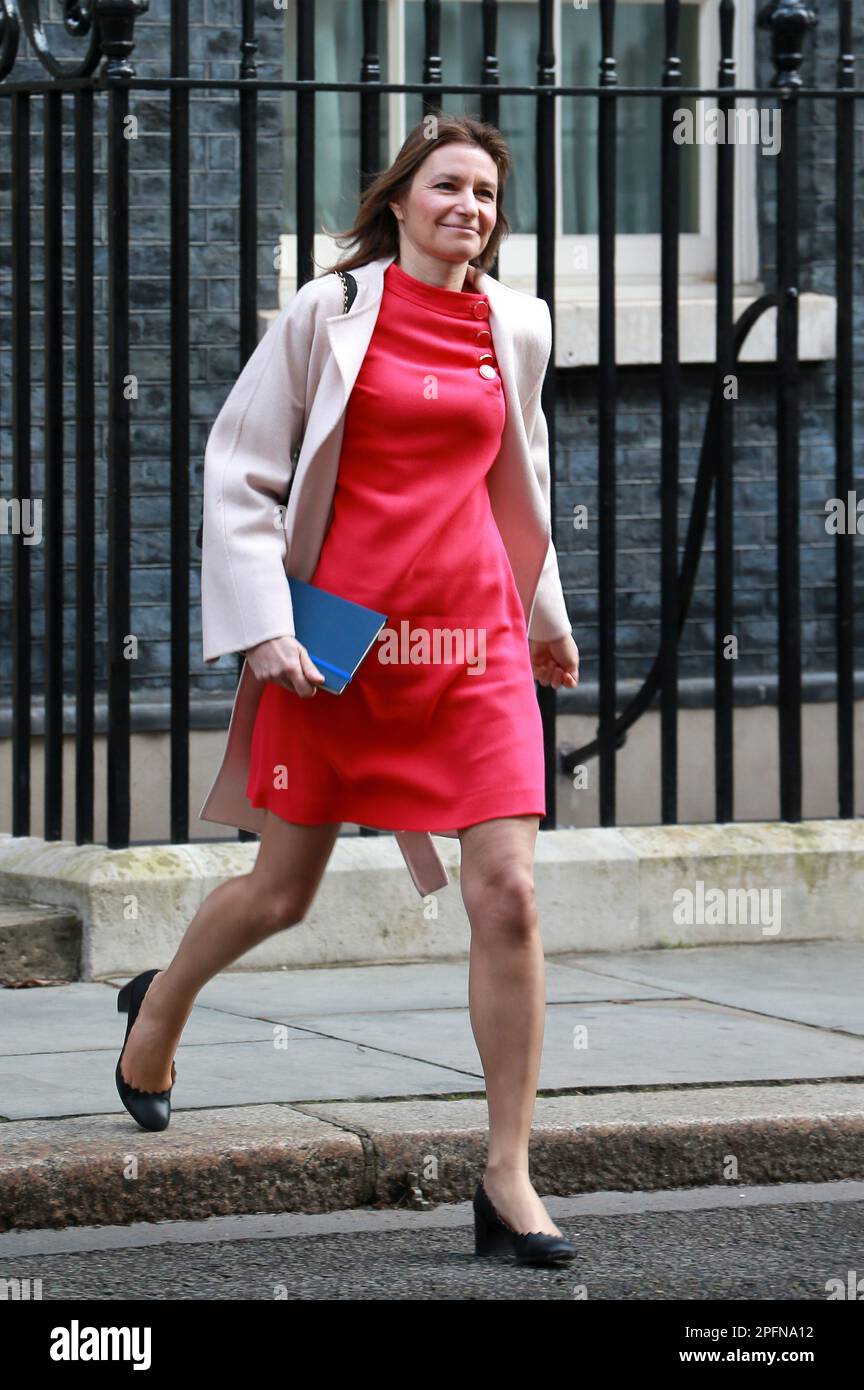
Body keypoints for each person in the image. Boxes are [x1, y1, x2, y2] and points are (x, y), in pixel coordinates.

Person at [116, 112, 580, 1266]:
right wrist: (265, 628)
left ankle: (509, 1173)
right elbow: (241, 466)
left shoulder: (515, 325)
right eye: (447, 186)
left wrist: (543, 621)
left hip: (473, 647)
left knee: (509, 893)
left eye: (485, 192)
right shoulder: (329, 315)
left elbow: (517, 476)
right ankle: (157, 1010)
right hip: (342, 645)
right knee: (280, 892)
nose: (468, 206)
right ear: (400, 200)